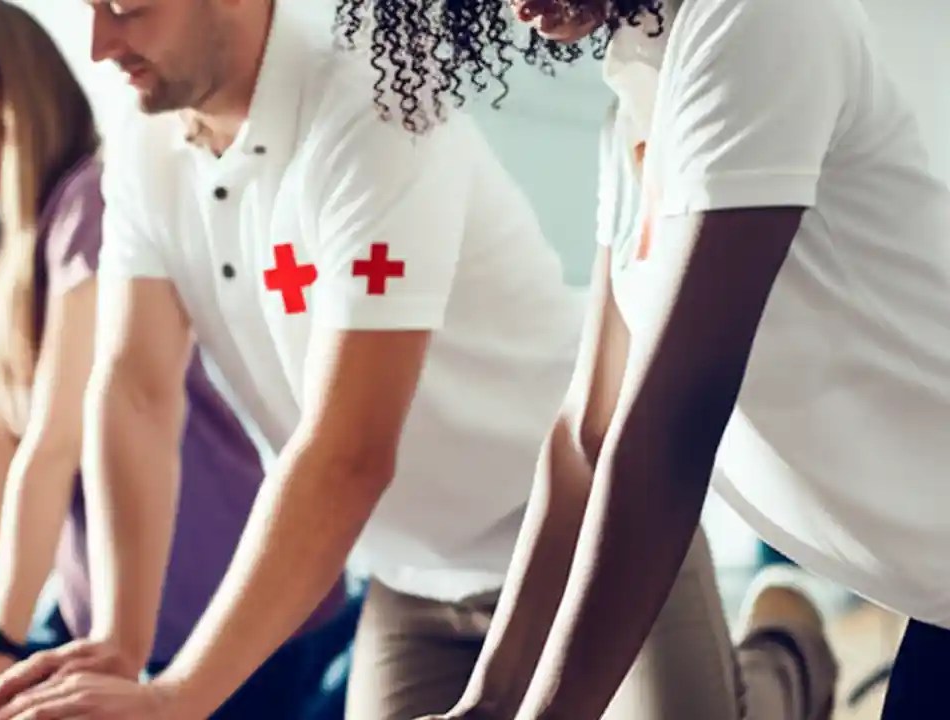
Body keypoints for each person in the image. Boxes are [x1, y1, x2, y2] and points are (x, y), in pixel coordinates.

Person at [0, 2, 809, 719]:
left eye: (125, 7)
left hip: (580, 536)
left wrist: (180, 694)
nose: (98, 42)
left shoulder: (380, 104)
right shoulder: (143, 140)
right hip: (407, 580)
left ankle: (786, 646)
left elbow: (349, 452)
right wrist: (121, 651)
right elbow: (134, 393)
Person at [336, 0, 950, 718]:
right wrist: (487, 703)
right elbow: (586, 438)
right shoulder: (638, 105)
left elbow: (676, 419)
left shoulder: (760, 18)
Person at [0, 2, 346, 715]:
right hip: (109, 621)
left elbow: (55, 441)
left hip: (221, 621)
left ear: (22, 111)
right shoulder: (11, 243)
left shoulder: (93, 205)